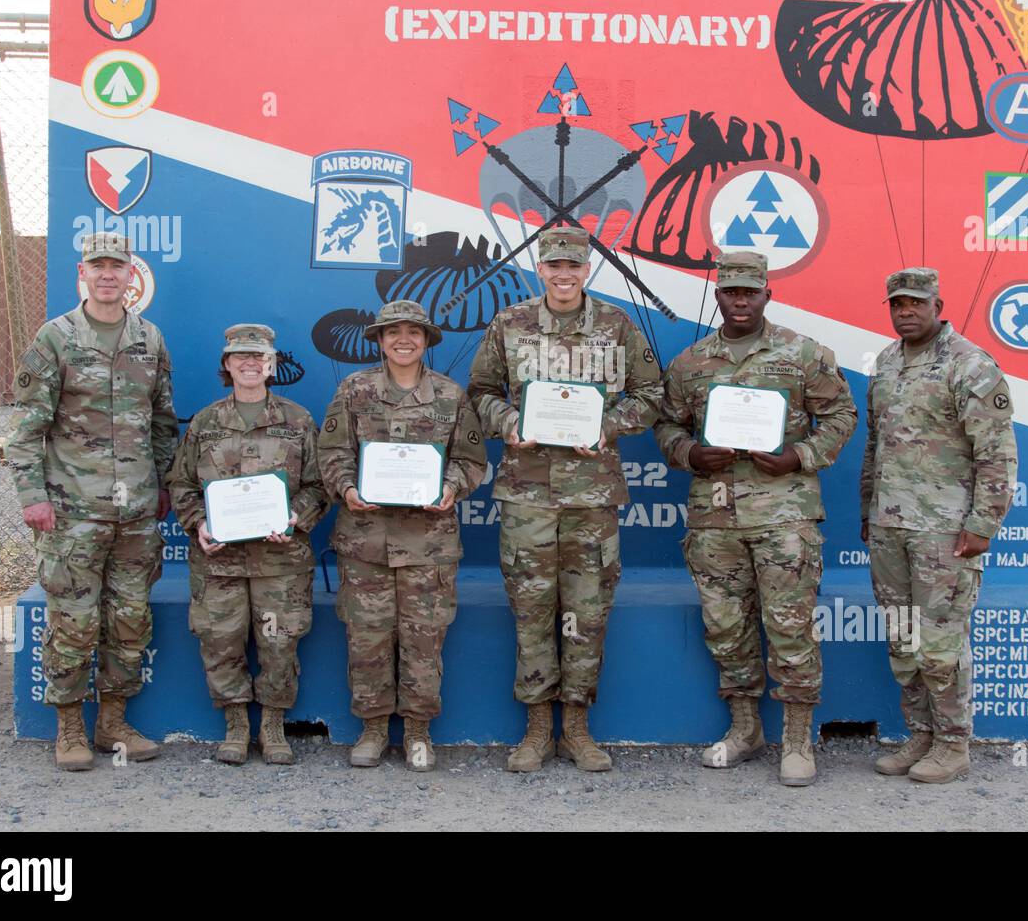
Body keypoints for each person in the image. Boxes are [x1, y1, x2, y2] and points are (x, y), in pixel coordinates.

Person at [654, 251, 857, 786]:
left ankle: (796, 737)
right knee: (726, 627)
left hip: (783, 514)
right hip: (715, 517)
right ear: (717, 296)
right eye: (730, 292)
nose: (740, 301)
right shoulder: (691, 362)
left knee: (789, 626)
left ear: (768, 294)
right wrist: (689, 455)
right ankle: (746, 727)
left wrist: (801, 456)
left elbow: (841, 413)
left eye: (750, 292)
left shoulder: (803, 354)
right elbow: (667, 424)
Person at [467, 226, 663, 773]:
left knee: (587, 610)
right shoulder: (510, 324)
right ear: (539, 268)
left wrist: (608, 425)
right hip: (527, 494)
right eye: (553, 266)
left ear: (587, 271)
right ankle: (535, 730)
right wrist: (509, 422)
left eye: (572, 267)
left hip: (591, 497)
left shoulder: (617, 326)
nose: (563, 275)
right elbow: (480, 392)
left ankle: (576, 725)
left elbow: (652, 394)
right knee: (531, 611)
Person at [5, 233, 177, 771]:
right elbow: (26, 430)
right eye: (98, 266)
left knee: (129, 620)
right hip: (71, 510)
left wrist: (165, 485)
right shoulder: (55, 338)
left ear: (132, 277)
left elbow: (163, 422)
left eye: (117, 267)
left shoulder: (150, 340)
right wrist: (33, 496)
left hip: (135, 515)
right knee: (74, 622)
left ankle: (113, 722)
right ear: (83, 273)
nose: (108, 275)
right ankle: (69, 728)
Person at [861, 267, 1017, 783]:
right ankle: (920, 735)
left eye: (915, 303)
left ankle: (953, 744)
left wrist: (982, 524)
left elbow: (996, 454)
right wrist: (869, 511)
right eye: (897, 304)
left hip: (945, 532)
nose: (906, 312)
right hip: (890, 526)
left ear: (937, 305)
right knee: (904, 638)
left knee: (941, 641)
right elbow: (875, 447)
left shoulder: (970, 365)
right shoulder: (885, 363)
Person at [318, 300, 486, 771]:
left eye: (413, 332)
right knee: (367, 639)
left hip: (428, 544)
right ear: (379, 340)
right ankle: (372, 729)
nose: (403, 340)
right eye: (393, 332)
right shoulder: (354, 390)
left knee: (423, 640)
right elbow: (331, 452)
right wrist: (347, 489)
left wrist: (451, 487)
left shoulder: (451, 396)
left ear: (427, 339)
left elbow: (471, 460)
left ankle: (417, 731)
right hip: (365, 540)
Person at [165, 324, 328, 766]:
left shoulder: (297, 421)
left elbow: (319, 485)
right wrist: (199, 523)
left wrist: (297, 519)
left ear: (272, 364)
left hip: (281, 561)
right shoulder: (205, 422)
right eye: (240, 357)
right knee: (221, 642)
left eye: (259, 356)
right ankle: (236, 725)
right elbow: (180, 484)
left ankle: (272, 726)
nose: (250, 363)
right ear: (226, 365)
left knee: (279, 644)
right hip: (219, 564)